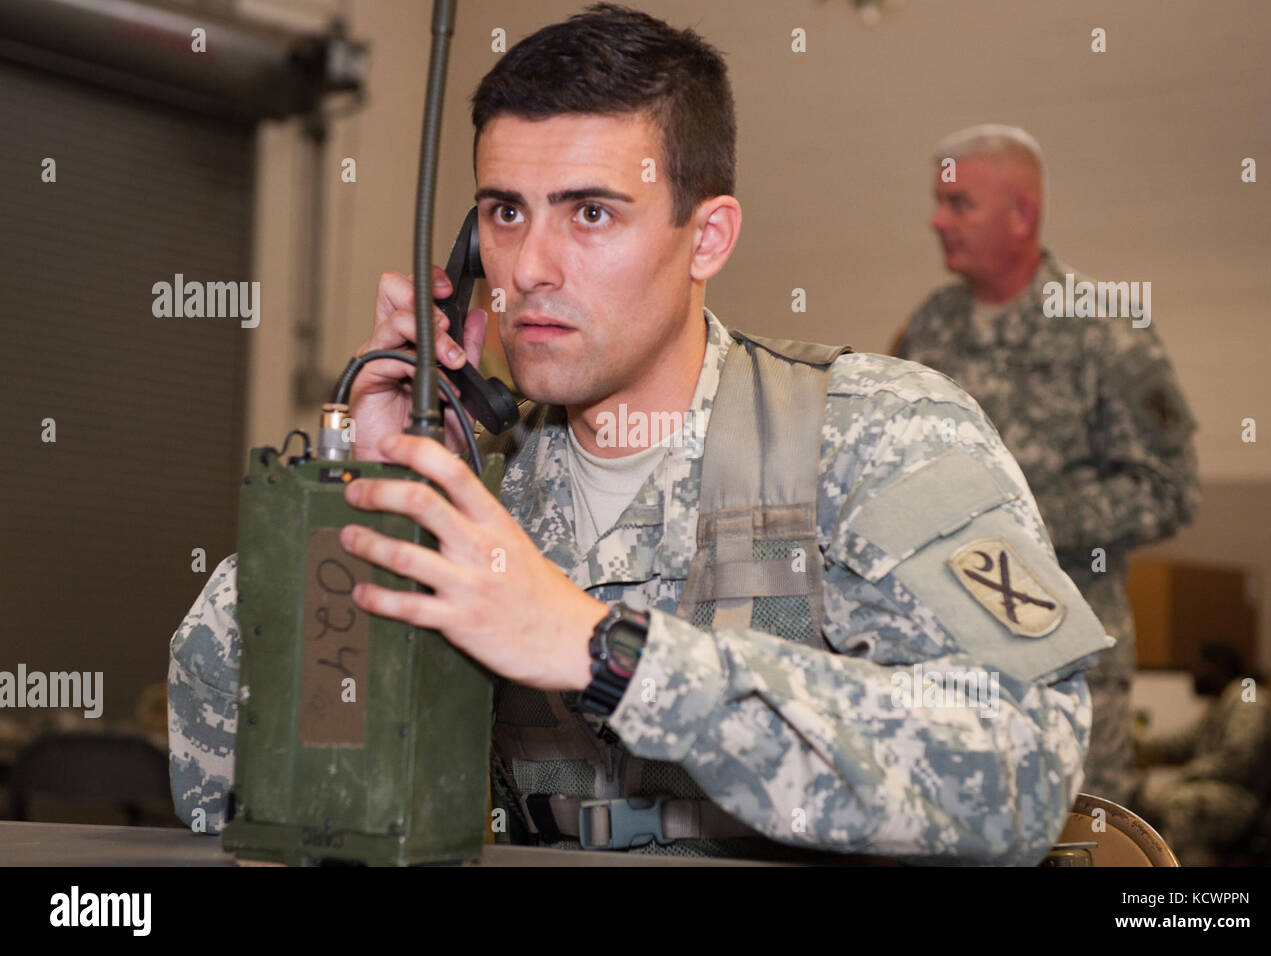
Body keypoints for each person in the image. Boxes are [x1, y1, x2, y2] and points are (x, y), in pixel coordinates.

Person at [169, 4, 1113, 865]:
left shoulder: (869, 435)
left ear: (707, 238)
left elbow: (1020, 770)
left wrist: (609, 652)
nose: (530, 268)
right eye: (504, 212)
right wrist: (367, 491)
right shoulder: (472, 478)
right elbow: (215, 782)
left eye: (589, 213)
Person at [893, 125, 1200, 807]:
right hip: (951, 663)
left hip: (1071, 664)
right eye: (938, 201)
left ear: (1022, 213)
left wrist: (1020, 521)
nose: (936, 220)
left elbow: (1170, 489)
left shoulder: (1103, 327)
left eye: (958, 202)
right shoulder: (928, 330)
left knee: (1081, 846)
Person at [1133, 642, 1271, 866]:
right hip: (1217, 789)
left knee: (1183, 803)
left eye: (1198, 665)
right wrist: (1131, 743)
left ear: (1217, 666)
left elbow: (1239, 759)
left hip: (1242, 798)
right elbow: (1179, 743)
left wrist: (1187, 774)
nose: (1192, 674)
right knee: (1140, 798)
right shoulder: (1223, 704)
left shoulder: (1248, 699)